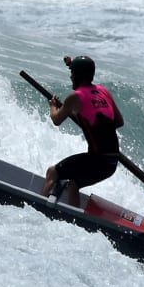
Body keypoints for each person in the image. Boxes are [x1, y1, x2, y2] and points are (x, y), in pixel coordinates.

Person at [40, 54, 124, 205]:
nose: (70, 77)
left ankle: (38, 206)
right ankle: (74, 217)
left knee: (53, 172)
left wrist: (53, 106)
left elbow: (57, 119)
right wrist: (89, 120)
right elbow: (118, 121)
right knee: (73, 184)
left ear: (78, 75)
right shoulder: (103, 91)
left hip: (96, 160)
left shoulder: (75, 97)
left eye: (72, 74)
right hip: (112, 161)